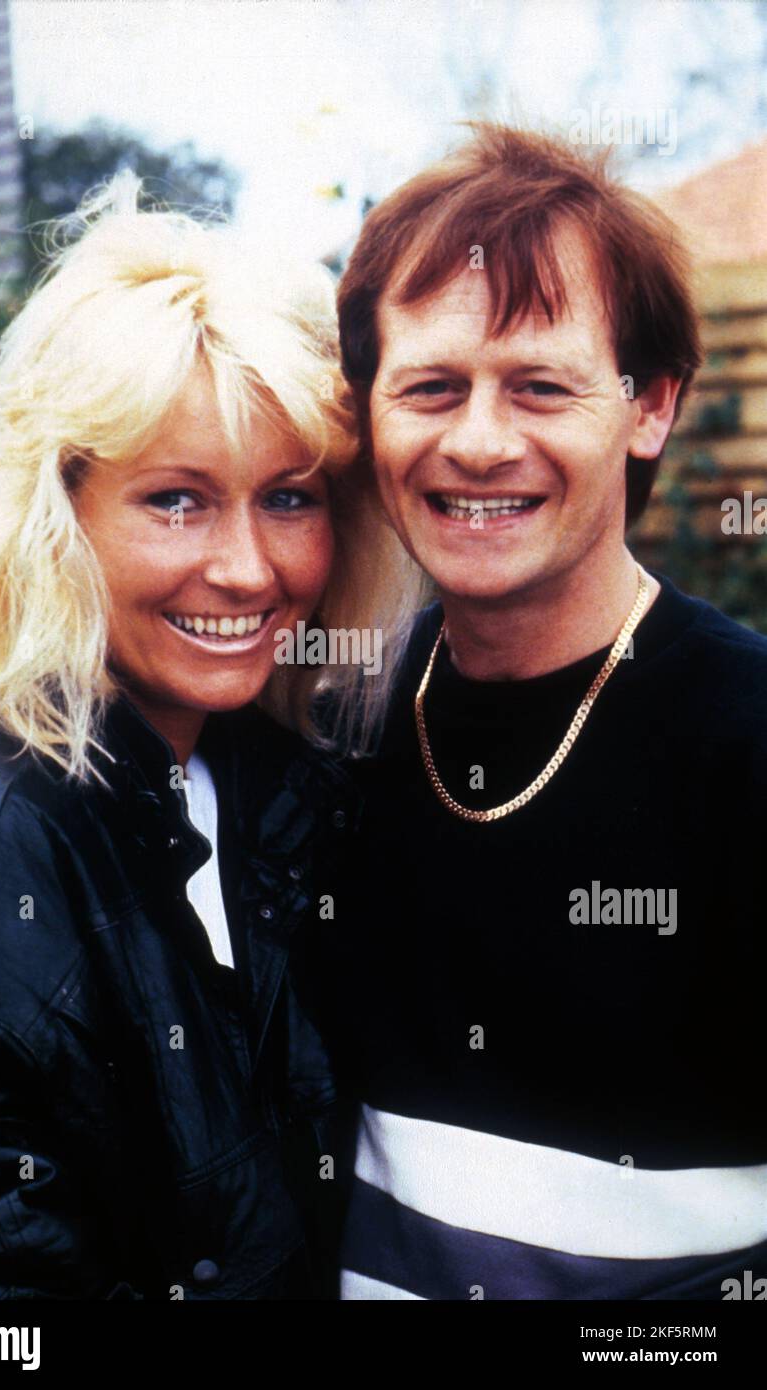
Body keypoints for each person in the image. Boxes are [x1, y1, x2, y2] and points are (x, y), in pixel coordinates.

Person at [0, 175, 416, 1300]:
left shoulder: (269, 776)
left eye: (288, 497)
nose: (244, 568)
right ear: (55, 515)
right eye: (175, 500)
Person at [300, 124, 767, 1300]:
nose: (478, 440)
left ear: (648, 407)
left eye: (539, 385)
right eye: (430, 386)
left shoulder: (744, 738)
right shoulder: (328, 720)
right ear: (367, 414)